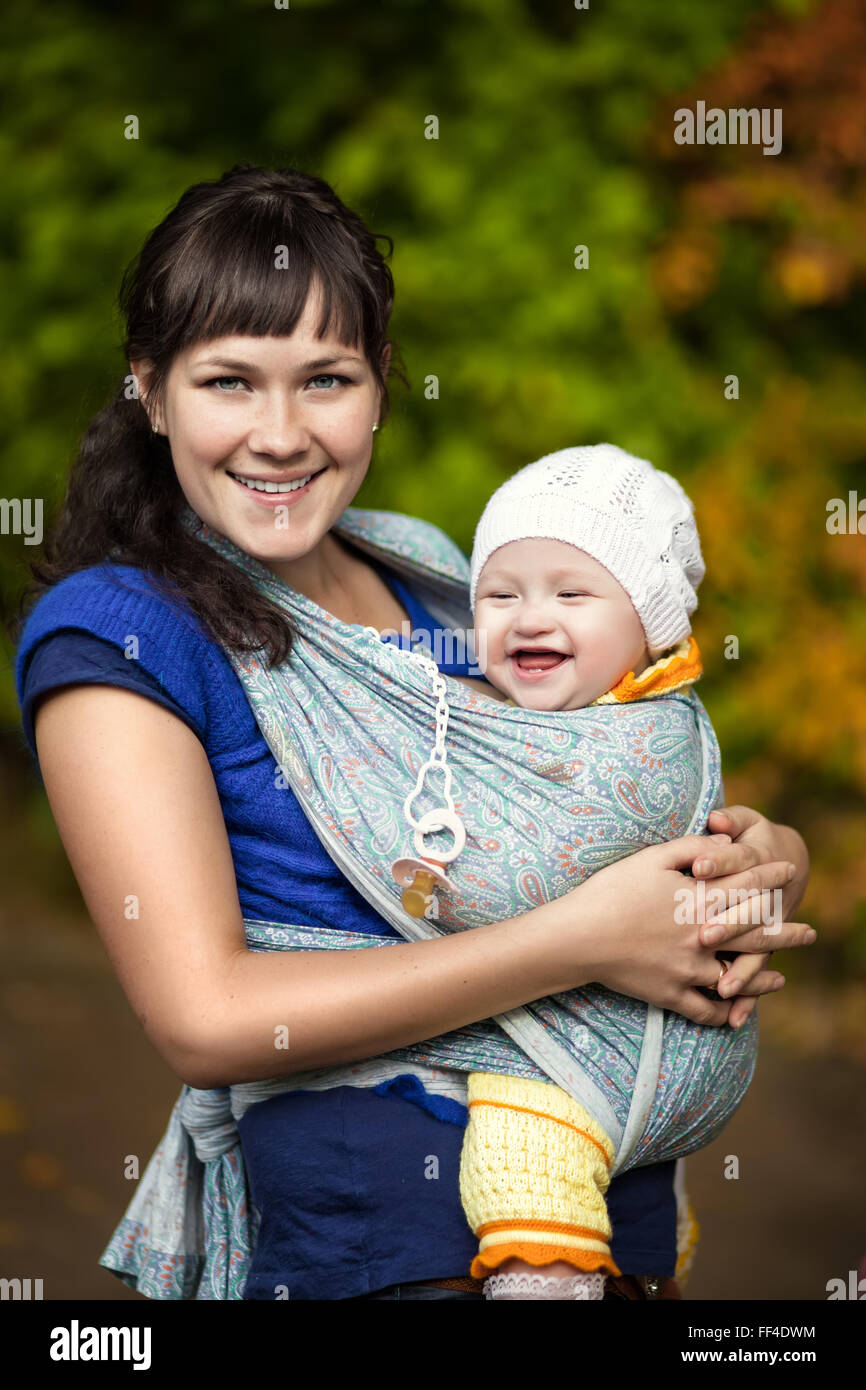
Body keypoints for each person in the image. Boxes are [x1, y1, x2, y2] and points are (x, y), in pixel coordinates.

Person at [9, 164, 813, 1301]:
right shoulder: (120, 631)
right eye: (228, 381)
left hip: (607, 1216)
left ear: (380, 382)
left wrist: (755, 855)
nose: (279, 436)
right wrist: (583, 941)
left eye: (324, 379)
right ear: (149, 387)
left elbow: (581, 796)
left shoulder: (439, 575)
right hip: (383, 1260)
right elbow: (206, 1017)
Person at [449, 442, 759, 1300]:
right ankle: (659, 1225)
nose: (529, 617)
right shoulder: (525, 716)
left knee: (519, 1165)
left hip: (586, 1053)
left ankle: (546, 1284)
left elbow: (533, 868)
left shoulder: (645, 737)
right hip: (657, 1056)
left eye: (571, 592)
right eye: (500, 594)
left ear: (651, 626)